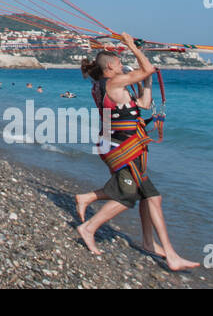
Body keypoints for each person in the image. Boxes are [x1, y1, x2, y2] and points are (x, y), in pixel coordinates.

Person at [74, 33, 199, 272]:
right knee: (126, 196)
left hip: (119, 145)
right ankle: (88, 228)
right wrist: (132, 46)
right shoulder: (113, 83)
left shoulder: (106, 85)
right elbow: (146, 68)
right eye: (119, 63)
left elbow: (143, 103)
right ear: (110, 66)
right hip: (122, 148)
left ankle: (154, 245)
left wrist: (148, 79)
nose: (122, 65)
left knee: (152, 197)